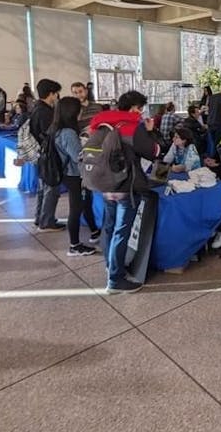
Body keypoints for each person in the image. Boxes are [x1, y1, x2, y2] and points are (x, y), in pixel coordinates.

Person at [90, 90, 161, 293]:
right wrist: (150, 131)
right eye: (140, 109)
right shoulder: (132, 127)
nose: (141, 113)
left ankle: (110, 265)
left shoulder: (101, 124)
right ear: (133, 108)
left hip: (105, 184)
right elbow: (154, 151)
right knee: (121, 232)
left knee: (109, 226)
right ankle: (115, 280)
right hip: (125, 185)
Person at [50, 96, 99, 257]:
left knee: (85, 203)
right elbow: (78, 157)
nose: (81, 114)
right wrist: (88, 143)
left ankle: (94, 231)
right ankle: (74, 245)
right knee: (76, 208)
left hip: (68, 173)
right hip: (74, 175)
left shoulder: (56, 129)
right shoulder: (68, 133)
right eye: (79, 111)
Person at [30, 78, 64, 231]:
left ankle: (40, 218)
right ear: (51, 94)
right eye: (56, 94)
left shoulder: (36, 108)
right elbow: (50, 135)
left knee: (43, 188)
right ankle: (47, 222)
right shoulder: (46, 112)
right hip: (48, 156)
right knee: (51, 189)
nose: (57, 97)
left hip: (40, 154)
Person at [207, 84, 221, 155]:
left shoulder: (212, 97)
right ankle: (216, 158)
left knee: (212, 142)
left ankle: (211, 156)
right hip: (219, 123)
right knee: (218, 143)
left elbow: (208, 109)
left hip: (210, 122)